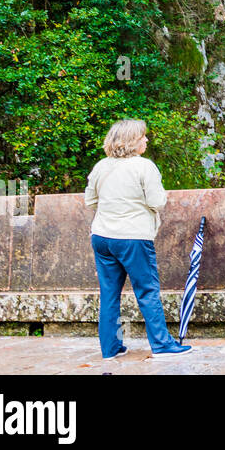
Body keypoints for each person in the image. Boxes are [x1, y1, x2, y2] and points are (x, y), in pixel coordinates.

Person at [85, 119, 192, 359]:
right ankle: (162, 345)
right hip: (133, 237)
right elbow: (157, 201)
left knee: (109, 293)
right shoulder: (144, 167)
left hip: (102, 236)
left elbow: (90, 201)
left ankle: (110, 348)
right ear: (133, 141)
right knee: (146, 290)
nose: (146, 140)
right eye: (143, 136)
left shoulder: (101, 166)